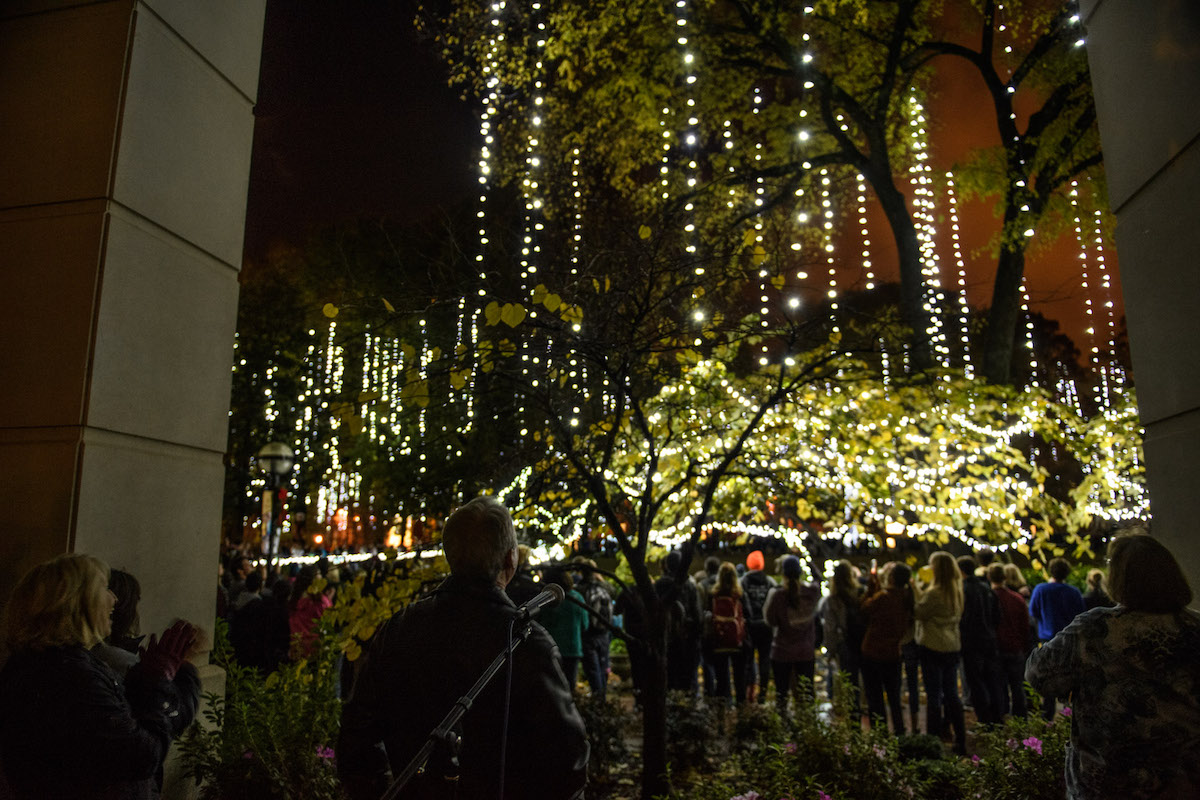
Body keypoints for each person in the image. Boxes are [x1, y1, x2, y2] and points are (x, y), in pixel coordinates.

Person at [337, 496, 588, 800]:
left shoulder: (399, 629)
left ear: (449, 556)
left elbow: (356, 735)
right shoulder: (527, 642)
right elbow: (567, 760)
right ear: (511, 559)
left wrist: (379, 788)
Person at [0, 553, 200, 799]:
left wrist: (144, 680)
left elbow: (109, 730)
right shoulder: (70, 677)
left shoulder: (47, 665)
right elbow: (142, 755)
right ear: (76, 601)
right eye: (104, 588)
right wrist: (157, 680)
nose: (114, 599)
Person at [1027, 534, 1200, 798]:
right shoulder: (1194, 629)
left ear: (1119, 578)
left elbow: (1038, 675)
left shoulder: (1097, 628)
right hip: (1185, 781)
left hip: (1108, 783)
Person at [914, 551, 966, 754]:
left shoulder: (934, 593)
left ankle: (933, 740)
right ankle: (960, 738)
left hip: (932, 646)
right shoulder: (956, 591)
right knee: (952, 693)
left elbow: (919, 612)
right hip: (952, 645)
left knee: (934, 695)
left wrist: (916, 588)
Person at [1028, 557, 1086, 719]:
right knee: (1069, 676)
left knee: (1048, 676)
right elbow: (1081, 615)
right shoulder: (1073, 592)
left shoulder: (1041, 589)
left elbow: (1033, 612)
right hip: (1069, 640)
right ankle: (1069, 715)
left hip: (1047, 639)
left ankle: (1047, 715)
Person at [860, 562, 914, 733]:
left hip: (874, 652)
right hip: (893, 654)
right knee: (894, 697)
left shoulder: (883, 597)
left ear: (891, 578)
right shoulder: (907, 597)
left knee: (875, 698)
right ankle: (900, 732)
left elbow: (864, 608)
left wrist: (871, 589)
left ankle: (880, 735)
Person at [764, 554, 821, 714]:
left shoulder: (777, 595)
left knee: (782, 694)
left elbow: (770, 621)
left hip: (782, 651)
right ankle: (807, 726)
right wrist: (809, 560)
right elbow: (819, 579)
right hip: (805, 651)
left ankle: (783, 728)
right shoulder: (811, 593)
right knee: (806, 693)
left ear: (783, 573)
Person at [957, 555, 1002, 725]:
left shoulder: (963, 589)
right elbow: (997, 615)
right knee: (992, 679)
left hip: (971, 642)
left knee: (975, 682)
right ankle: (997, 717)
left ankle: (984, 720)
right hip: (989, 639)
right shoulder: (986, 588)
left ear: (960, 570)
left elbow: (964, 617)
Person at [655, 550, 704, 693]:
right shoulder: (689, 585)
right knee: (688, 680)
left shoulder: (659, 585)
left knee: (669, 680)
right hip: (687, 640)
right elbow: (697, 614)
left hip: (666, 639)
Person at [819, 559, 864, 710]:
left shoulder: (833, 600)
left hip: (845, 644)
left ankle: (852, 717)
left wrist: (830, 650)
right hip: (863, 642)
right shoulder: (861, 593)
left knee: (849, 684)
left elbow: (830, 627)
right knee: (863, 682)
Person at [987, 563, 1031, 717]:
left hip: (996, 648)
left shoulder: (988, 598)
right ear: (1005, 577)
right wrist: (1024, 646)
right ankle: (1020, 718)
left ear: (989, 577)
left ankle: (1001, 716)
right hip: (1015, 647)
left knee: (999, 686)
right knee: (1017, 686)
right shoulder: (1016, 599)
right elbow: (1025, 625)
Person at [706, 562, 749, 706]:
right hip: (738, 642)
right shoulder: (739, 595)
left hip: (720, 642)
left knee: (722, 679)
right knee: (739, 677)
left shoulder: (713, 595)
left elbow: (708, 617)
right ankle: (741, 708)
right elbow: (747, 615)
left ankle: (722, 710)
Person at [538, 568, 589, 690]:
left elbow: (540, 623)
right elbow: (585, 625)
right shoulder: (578, 598)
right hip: (573, 648)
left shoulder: (547, 600)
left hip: (551, 649)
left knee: (552, 687)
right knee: (569, 686)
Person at [573, 558, 614, 699]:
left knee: (592, 668)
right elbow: (612, 592)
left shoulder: (579, 589)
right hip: (604, 631)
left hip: (588, 633)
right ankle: (602, 696)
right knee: (603, 666)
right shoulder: (603, 587)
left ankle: (598, 699)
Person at [740, 550, 777, 703]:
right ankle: (763, 692)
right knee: (765, 659)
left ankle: (750, 691)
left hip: (750, 626)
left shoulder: (743, 582)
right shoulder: (769, 582)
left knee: (749, 660)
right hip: (766, 626)